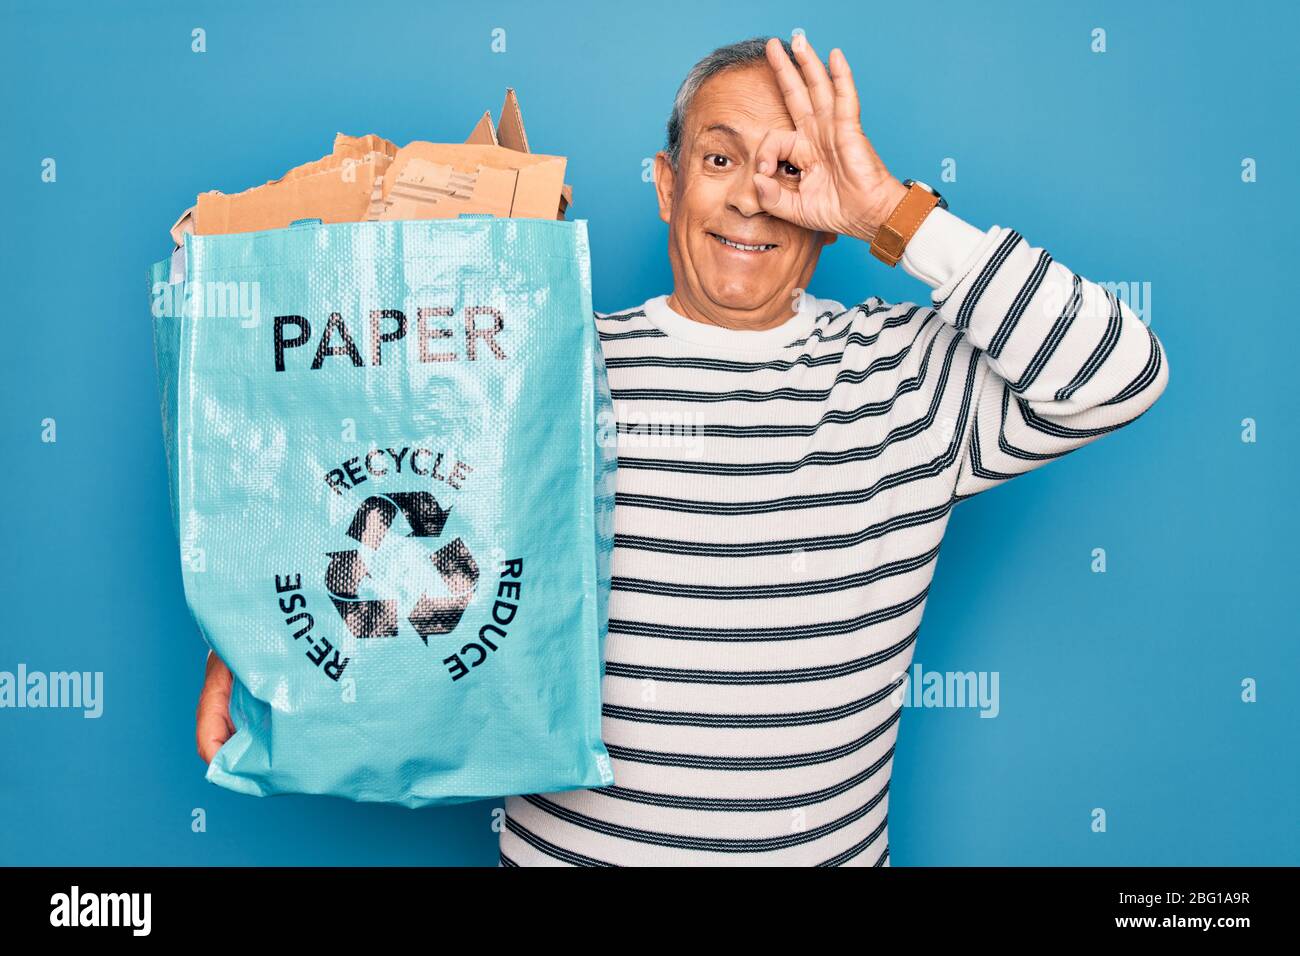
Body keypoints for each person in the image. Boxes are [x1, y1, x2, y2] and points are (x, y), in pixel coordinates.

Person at [197, 34, 1169, 866]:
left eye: (787, 168)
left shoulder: (906, 375)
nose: (752, 199)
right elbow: (395, 510)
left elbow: (1119, 372)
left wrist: (891, 215)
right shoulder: (547, 362)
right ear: (665, 185)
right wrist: (265, 644)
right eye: (718, 159)